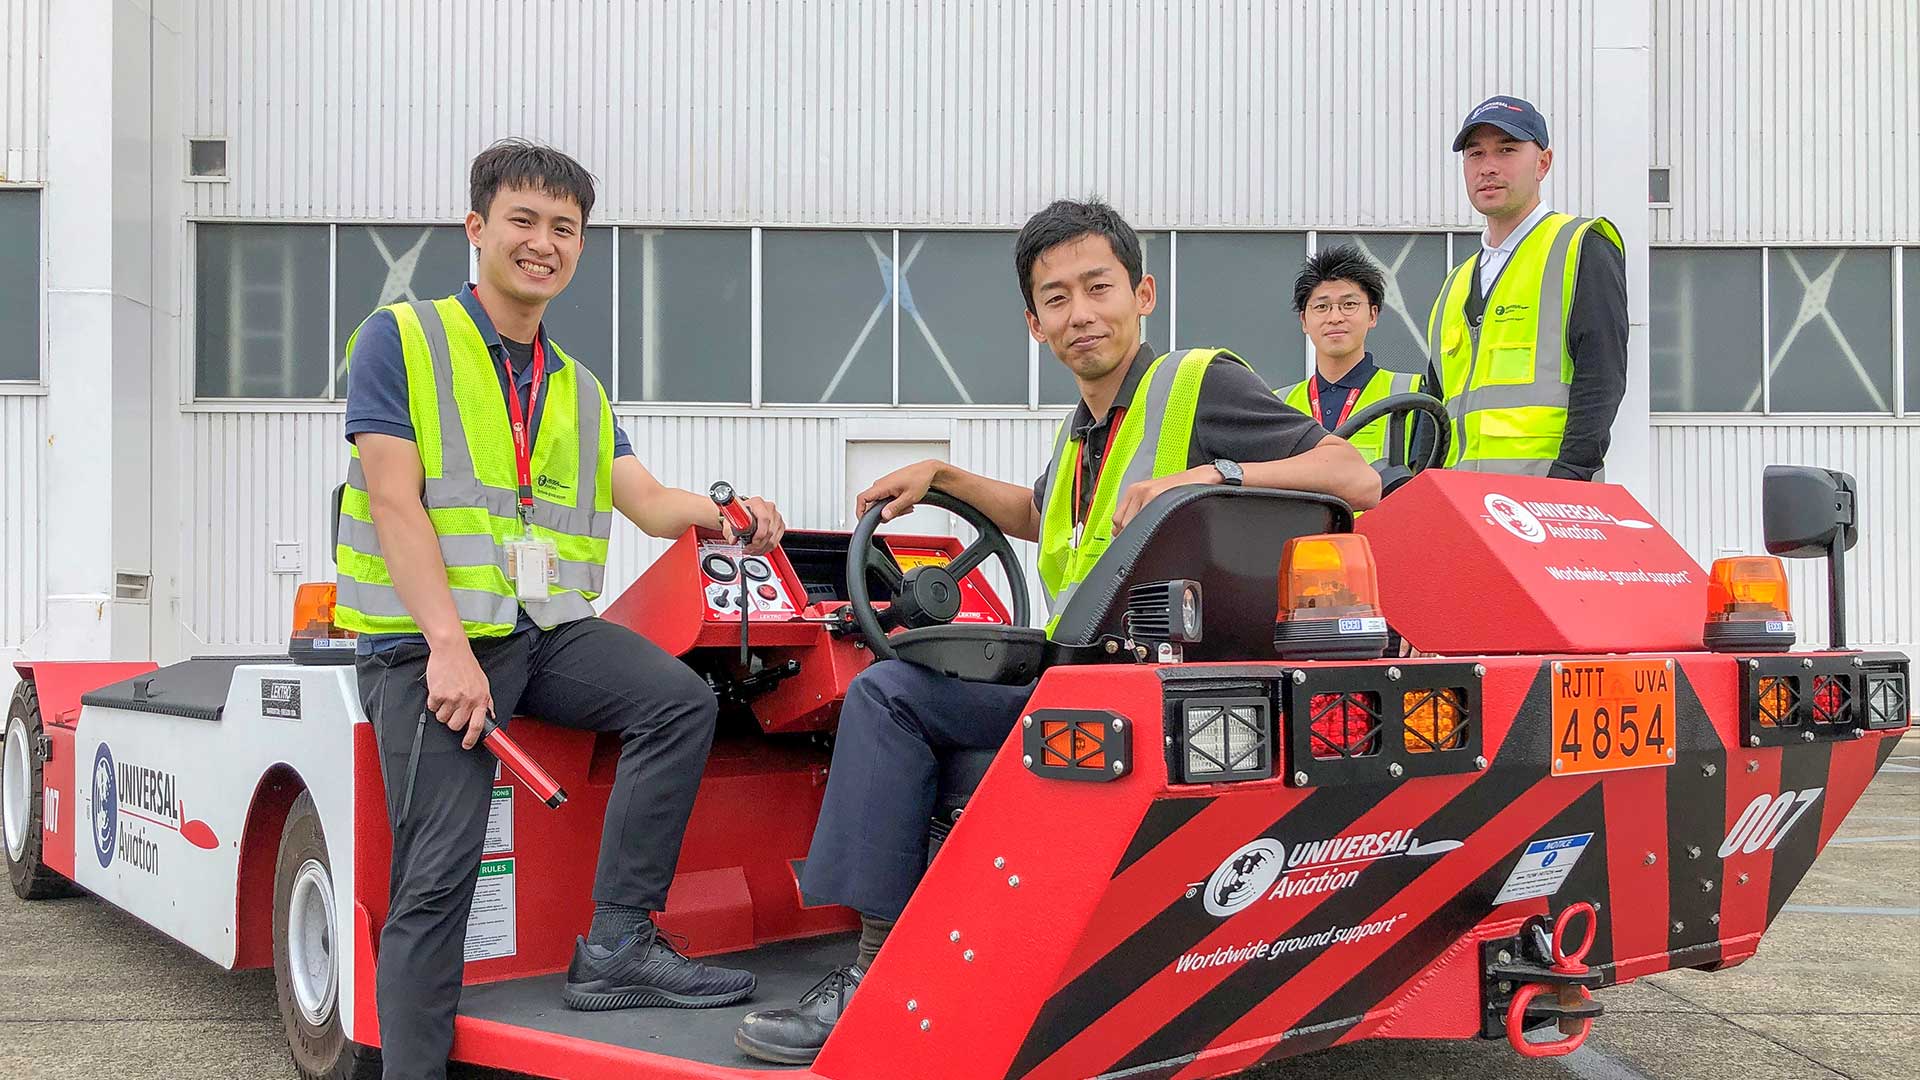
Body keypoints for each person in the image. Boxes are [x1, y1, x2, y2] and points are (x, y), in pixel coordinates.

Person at [733, 198, 1379, 1066]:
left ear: (1142, 292)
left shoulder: (1196, 385)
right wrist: (944, 475)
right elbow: (1045, 515)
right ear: (1035, 324)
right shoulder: (1085, 432)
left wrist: (1211, 474)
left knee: (886, 695)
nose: (1083, 314)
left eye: (1099, 287)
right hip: (1076, 685)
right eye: (1058, 298)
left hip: (1147, 698)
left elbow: (1354, 473)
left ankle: (872, 971)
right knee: (900, 695)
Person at [335, 139, 784, 1080]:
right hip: (430, 650)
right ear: (478, 229)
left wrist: (734, 514)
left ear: (581, 247)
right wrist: (448, 651)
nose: (543, 243)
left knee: (678, 701)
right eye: (524, 221)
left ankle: (617, 942)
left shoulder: (577, 386)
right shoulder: (403, 339)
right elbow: (393, 499)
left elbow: (649, 502)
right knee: (437, 884)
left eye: (564, 229)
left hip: (540, 635)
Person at [1425, 94, 1628, 479]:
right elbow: (1433, 407)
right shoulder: (1455, 284)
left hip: (1545, 504)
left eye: (1506, 150)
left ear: (1543, 163)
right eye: (1475, 154)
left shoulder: (1579, 245)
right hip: (1461, 507)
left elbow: (1601, 376)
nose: (1488, 167)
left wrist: (1571, 474)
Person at [1276, 244, 1434, 466]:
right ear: (1304, 321)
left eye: (1348, 304)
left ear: (1372, 315)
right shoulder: (1278, 405)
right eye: (1322, 307)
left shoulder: (1412, 393)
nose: (1335, 317)